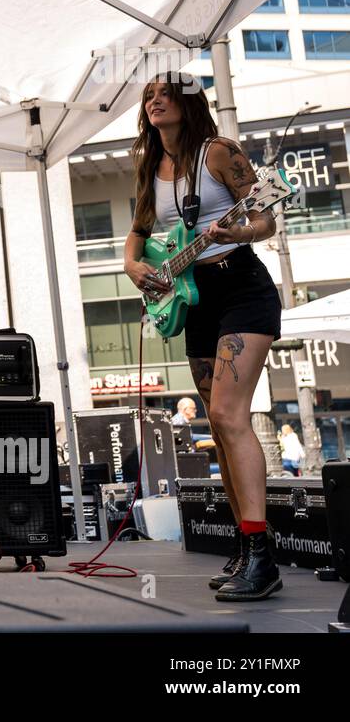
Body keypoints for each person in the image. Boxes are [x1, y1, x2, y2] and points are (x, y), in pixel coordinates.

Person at [123, 73, 282, 602]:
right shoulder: (151, 167)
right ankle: (245, 544)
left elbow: (265, 220)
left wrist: (237, 232)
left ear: (189, 102)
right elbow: (140, 234)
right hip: (194, 300)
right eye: (148, 96)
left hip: (240, 287)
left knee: (233, 416)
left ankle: (263, 556)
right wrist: (132, 266)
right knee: (215, 419)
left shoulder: (219, 152)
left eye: (165, 93)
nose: (155, 101)